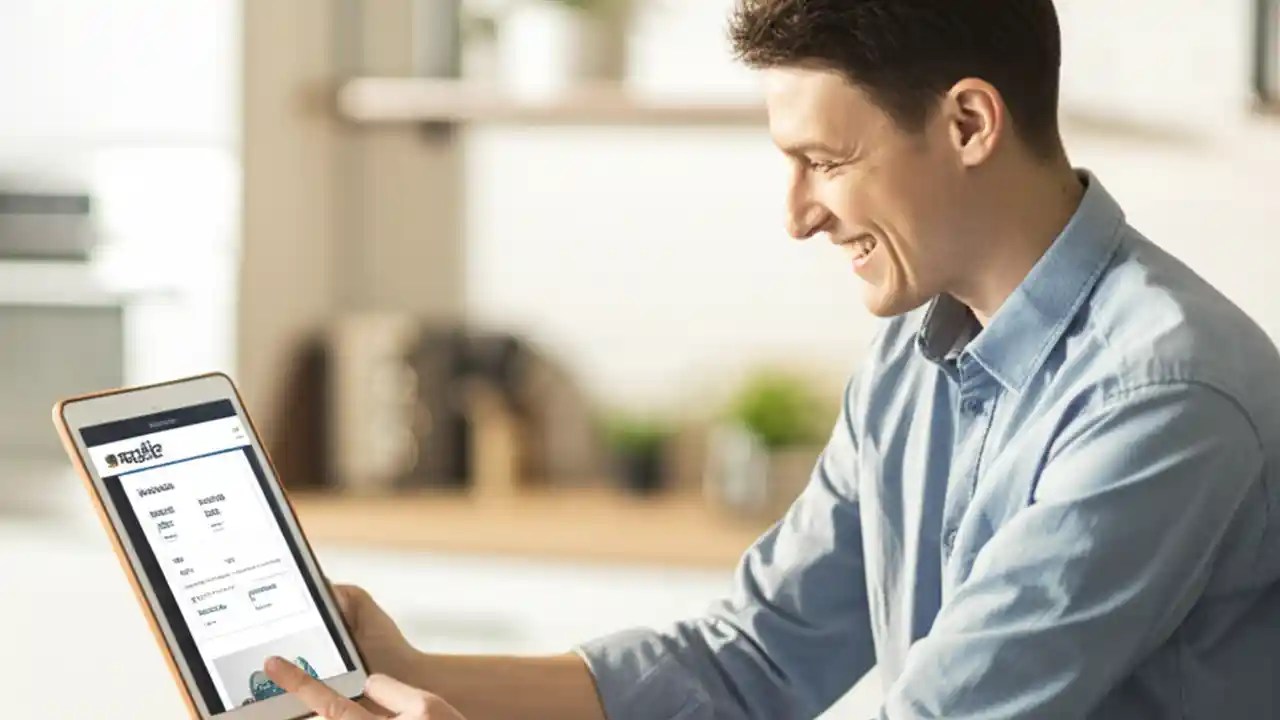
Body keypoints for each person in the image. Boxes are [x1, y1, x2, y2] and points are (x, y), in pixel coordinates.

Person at [272, 0, 1280, 717]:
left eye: (825, 162)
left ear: (967, 122)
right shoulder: (911, 360)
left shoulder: (1161, 394)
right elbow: (746, 663)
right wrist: (403, 668)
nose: (797, 215)